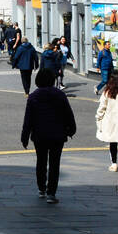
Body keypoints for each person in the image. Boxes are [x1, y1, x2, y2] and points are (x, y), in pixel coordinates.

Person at [21, 67, 77, 203]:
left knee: (41, 161)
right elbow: (68, 114)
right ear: (52, 80)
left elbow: (28, 119)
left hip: (39, 135)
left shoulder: (33, 96)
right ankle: (51, 193)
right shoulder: (60, 95)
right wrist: (71, 130)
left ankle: (41, 189)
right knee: (54, 163)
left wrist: (25, 136)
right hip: (58, 134)